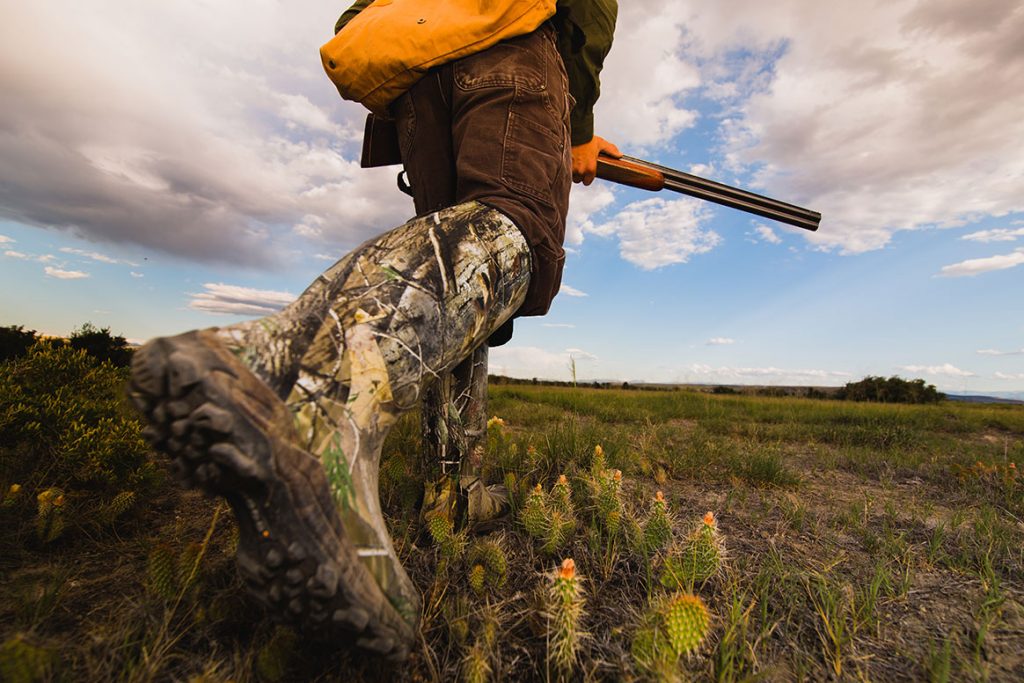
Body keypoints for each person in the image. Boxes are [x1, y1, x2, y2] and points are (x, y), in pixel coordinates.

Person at [129, 0, 618, 661]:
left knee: (462, 285)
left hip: (420, 71)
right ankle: (314, 407)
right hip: (512, 35)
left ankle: (445, 485)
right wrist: (579, 123)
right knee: (514, 230)